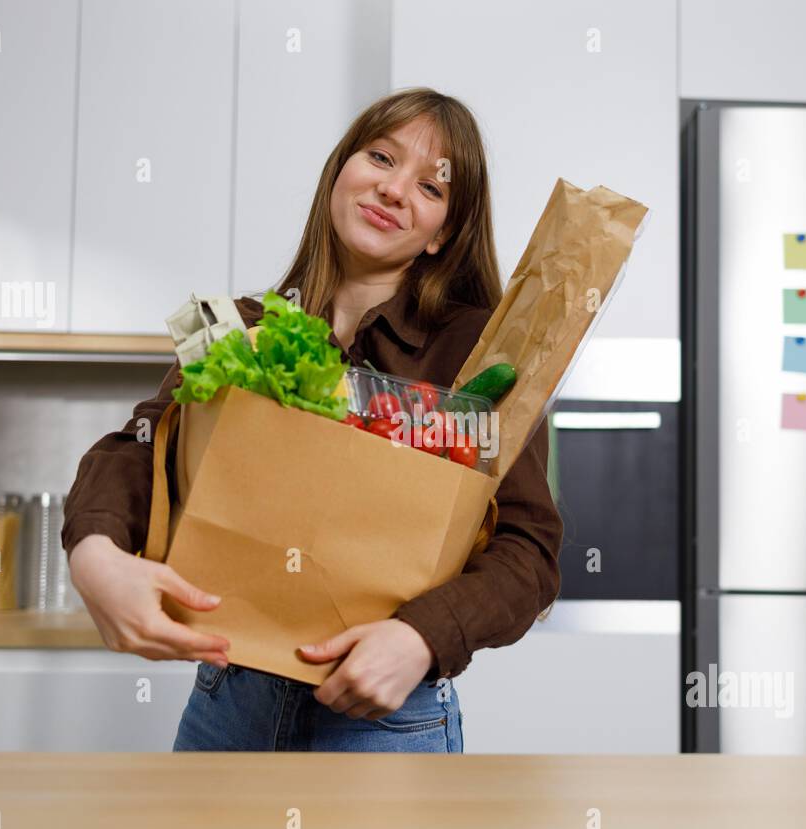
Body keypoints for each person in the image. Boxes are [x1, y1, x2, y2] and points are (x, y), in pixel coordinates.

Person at [62, 88, 563, 753]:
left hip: (386, 718)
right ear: (340, 172)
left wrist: (424, 636)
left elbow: (528, 552)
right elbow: (142, 446)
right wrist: (93, 554)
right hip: (225, 699)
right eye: (380, 157)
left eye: (431, 187)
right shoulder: (238, 326)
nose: (393, 190)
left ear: (444, 232)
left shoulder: (482, 357)